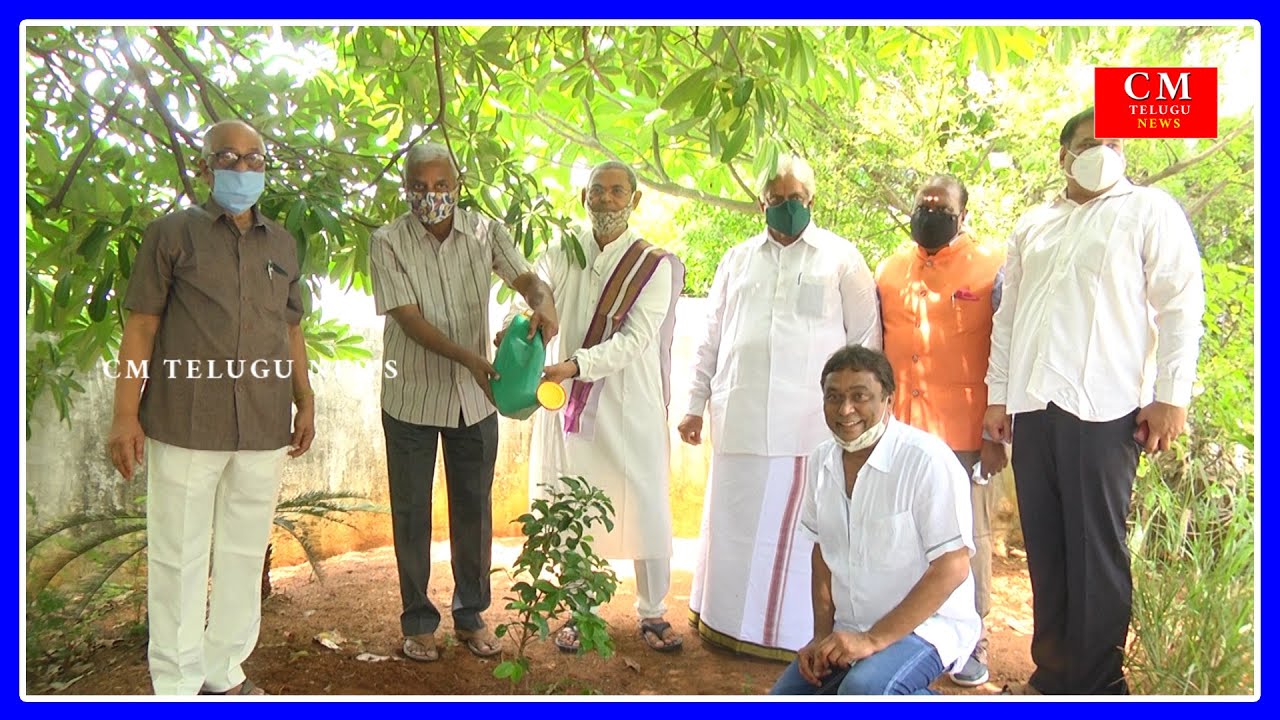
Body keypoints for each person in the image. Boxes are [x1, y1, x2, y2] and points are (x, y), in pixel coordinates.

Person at [985, 108, 1205, 695]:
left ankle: (1099, 684)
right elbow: (1007, 319)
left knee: (1096, 551)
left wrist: (1170, 397)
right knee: (1049, 549)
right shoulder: (1034, 224)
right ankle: (1051, 676)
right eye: (1090, 142)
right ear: (1064, 156)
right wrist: (997, 397)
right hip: (1033, 407)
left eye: (1113, 140)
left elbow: (1180, 305)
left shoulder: (1149, 211)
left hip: (1106, 410)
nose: (1104, 149)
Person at [106, 119, 314, 695]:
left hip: (264, 423)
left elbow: (291, 330)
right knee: (178, 557)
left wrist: (305, 397)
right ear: (205, 168)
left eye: (254, 159)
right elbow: (142, 324)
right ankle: (175, 685)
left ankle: (225, 676)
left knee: (245, 555)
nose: (242, 169)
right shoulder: (172, 235)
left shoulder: (282, 243)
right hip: (185, 423)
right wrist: (125, 413)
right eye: (228, 157)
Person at [679, 154, 881, 660]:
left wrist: (861, 417)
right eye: (776, 199)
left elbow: (865, 343)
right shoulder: (738, 259)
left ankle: (793, 637)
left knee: (801, 539)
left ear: (811, 200)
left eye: (796, 198)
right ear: (761, 204)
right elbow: (712, 339)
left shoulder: (841, 258)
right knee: (733, 529)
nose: (787, 207)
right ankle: (723, 624)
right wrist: (694, 404)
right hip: (741, 417)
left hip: (809, 427)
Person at [368, 141, 558, 663]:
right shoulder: (387, 242)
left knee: (474, 508)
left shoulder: (484, 231)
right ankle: (418, 621)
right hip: (411, 395)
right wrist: (470, 358)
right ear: (407, 188)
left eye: (441, 186)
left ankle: (471, 616)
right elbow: (408, 320)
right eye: (420, 187)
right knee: (412, 511)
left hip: (474, 403)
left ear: (458, 185)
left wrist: (543, 305)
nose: (431, 197)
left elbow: (526, 278)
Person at [518, 160, 685, 653]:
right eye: (598, 191)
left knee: (646, 503)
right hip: (568, 402)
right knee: (572, 502)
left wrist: (574, 364)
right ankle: (578, 606)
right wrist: (518, 328)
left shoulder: (655, 265)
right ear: (583, 198)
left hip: (629, 404)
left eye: (618, 191)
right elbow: (532, 298)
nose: (607, 200)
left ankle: (653, 613)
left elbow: (635, 339)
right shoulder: (558, 252)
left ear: (635, 201)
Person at [770, 345, 979, 695]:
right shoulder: (822, 461)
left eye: (860, 396)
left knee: (863, 691)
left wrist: (872, 639)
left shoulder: (926, 461)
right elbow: (823, 554)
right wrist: (821, 637)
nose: (845, 409)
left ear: (888, 400)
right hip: (850, 629)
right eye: (833, 397)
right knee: (784, 702)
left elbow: (952, 567)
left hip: (926, 627)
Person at [875, 174, 1007, 687]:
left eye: (942, 207)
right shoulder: (888, 270)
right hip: (899, 429)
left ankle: (973, 638)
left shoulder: (993, 267)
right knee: (902, 536)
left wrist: (998, 433)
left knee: (965, 538)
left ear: (963, 215)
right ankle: (911, 634)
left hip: (965, 432)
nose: (931, 213)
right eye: (923, 204)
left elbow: (1007, 350)